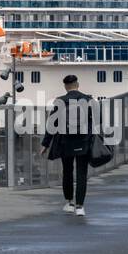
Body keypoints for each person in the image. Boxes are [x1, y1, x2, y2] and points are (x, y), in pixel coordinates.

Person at [42, 74, 94, 216]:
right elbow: (97, 121)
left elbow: (52, 124)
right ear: (78, 84)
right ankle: (80, 207)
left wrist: (45, 144)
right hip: (83, 141)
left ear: (65, 86)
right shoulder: (88, 99)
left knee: (68, 171)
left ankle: (70, 202)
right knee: (82, 173)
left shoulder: (60, 101)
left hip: (65, 141)